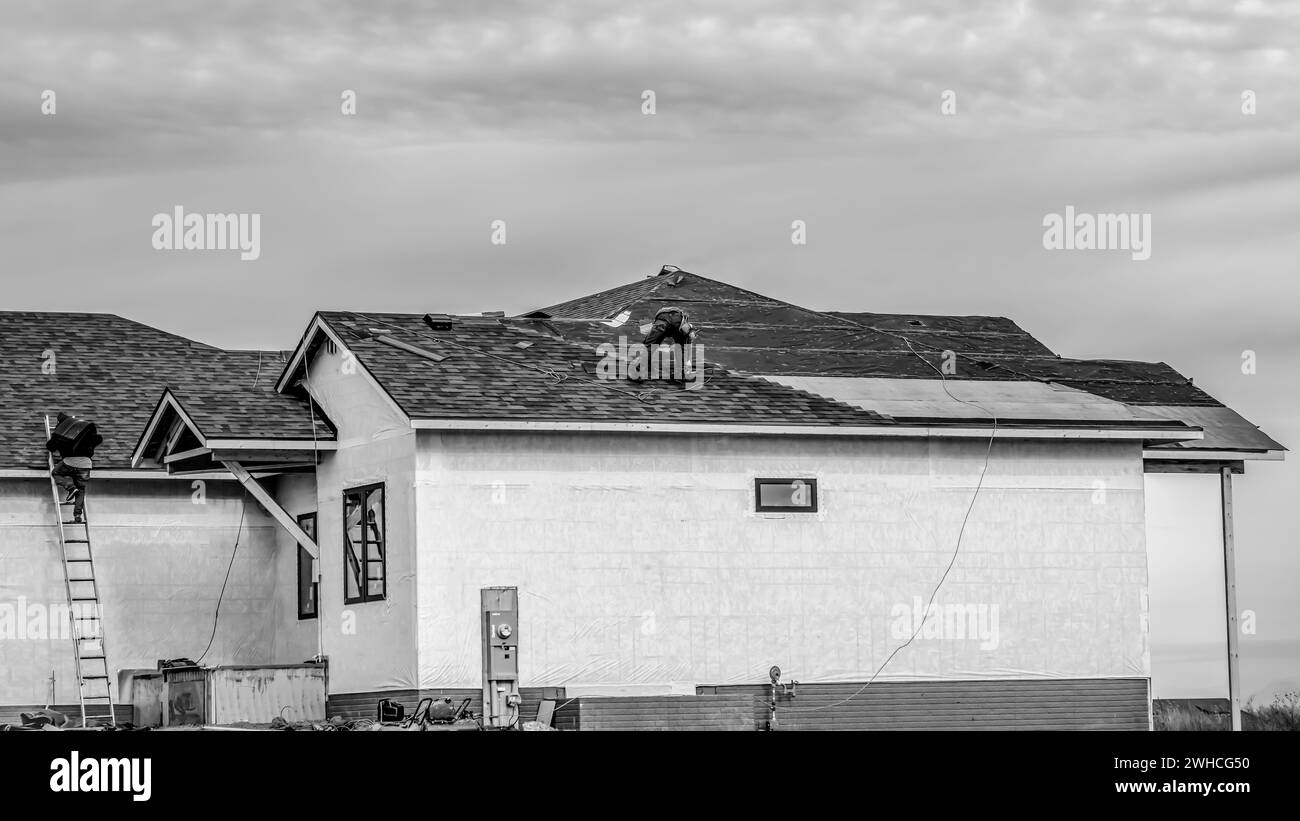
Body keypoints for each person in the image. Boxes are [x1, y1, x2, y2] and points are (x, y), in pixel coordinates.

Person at [46, 412, 102, 523]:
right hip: (86, 464)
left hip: (69, 462)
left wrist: (56, 438)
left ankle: (70, 488)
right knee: (81, 489)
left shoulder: (61, 432)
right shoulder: (84, 429)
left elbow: (50, 447)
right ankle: (77, 516)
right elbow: (98, 439)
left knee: (55, 473)